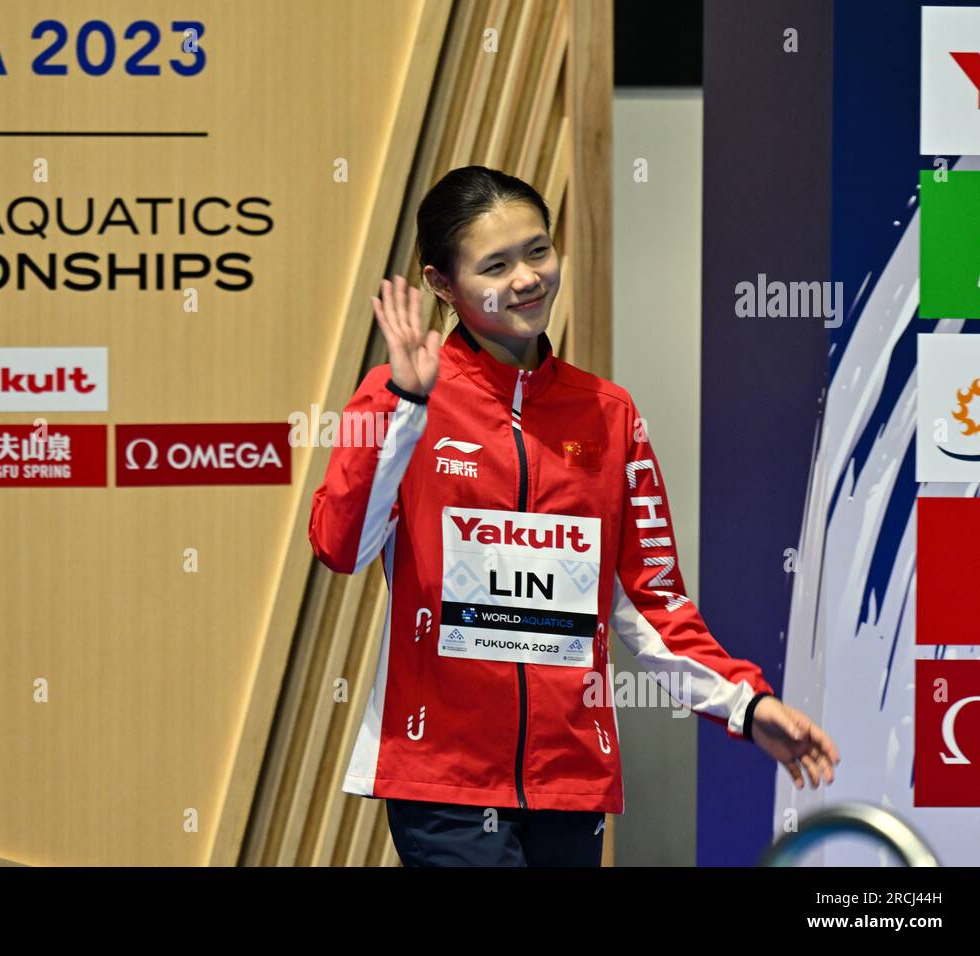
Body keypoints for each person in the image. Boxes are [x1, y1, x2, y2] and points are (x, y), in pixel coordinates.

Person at [307, 165, 841, 867]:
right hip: (445, 775)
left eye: (538, 250)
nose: (528, 279)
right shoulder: (399, 397)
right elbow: (339, 544)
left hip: (571, 776)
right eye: (495, 265)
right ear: (442, 285)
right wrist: (407, 406)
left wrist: (745, 705)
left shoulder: (608, 412)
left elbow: (651, 600)